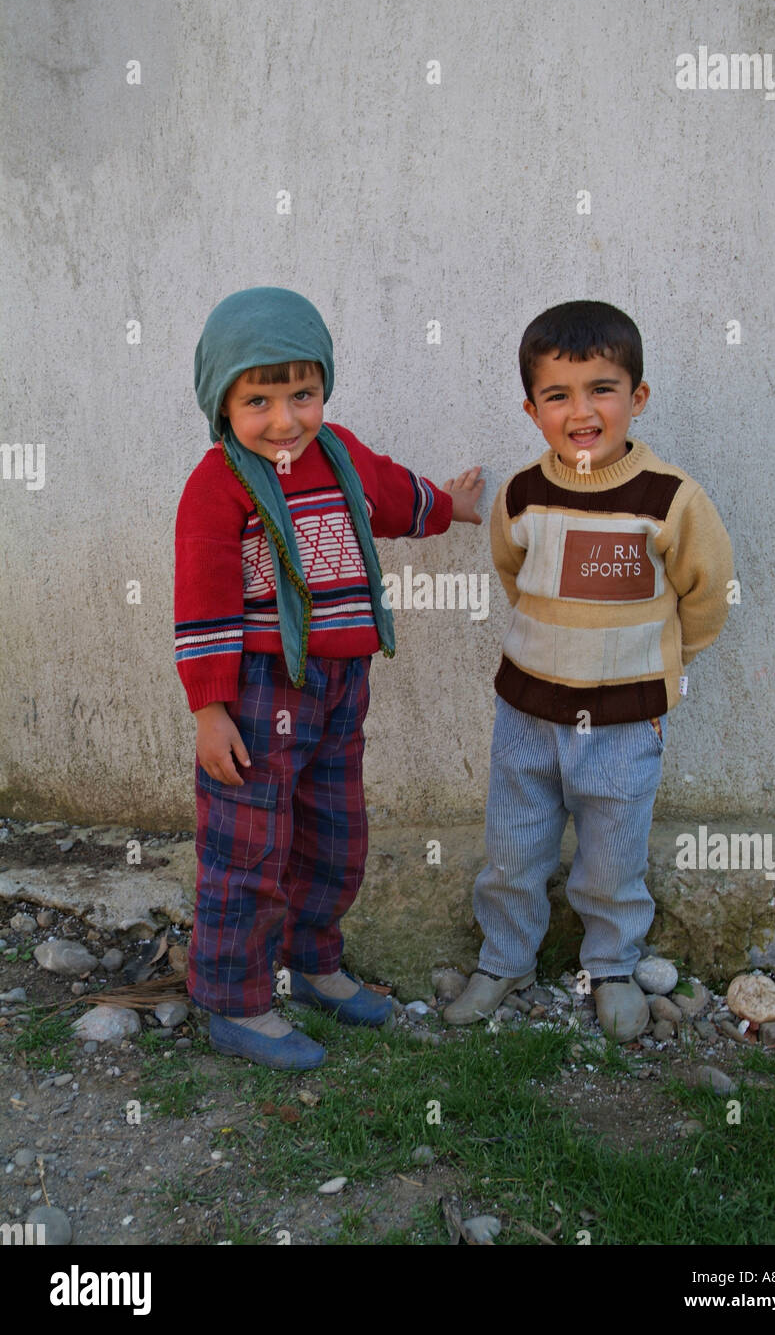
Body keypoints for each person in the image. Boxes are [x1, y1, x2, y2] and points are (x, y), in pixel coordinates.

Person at [175, 286, 483, 1069]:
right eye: (259, 399)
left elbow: (393, 496)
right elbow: (203, 600)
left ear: (324, 390)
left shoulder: (338, 454)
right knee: (247, 845)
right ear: (222, 403)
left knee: (334, 833)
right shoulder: (219, 485)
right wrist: (210, 709)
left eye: (302, 393)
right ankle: (234, 1002)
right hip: (255, 690)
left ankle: (312, 965)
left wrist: (454, 505)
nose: (285, 419)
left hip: (341, 687)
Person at [445, 300, 734, 1042]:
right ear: (531, 408)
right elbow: (515, 576)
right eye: (557, 394)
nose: (582, 411)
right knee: (512, 851)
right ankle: (505, 957)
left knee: (610, 859)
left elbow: (705, 595)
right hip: (527, 716)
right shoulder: (521, 495)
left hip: (622, 720)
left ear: (635, 398)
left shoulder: (669, 500)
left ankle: (608, 964)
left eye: (602, 389)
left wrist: (661, 667)